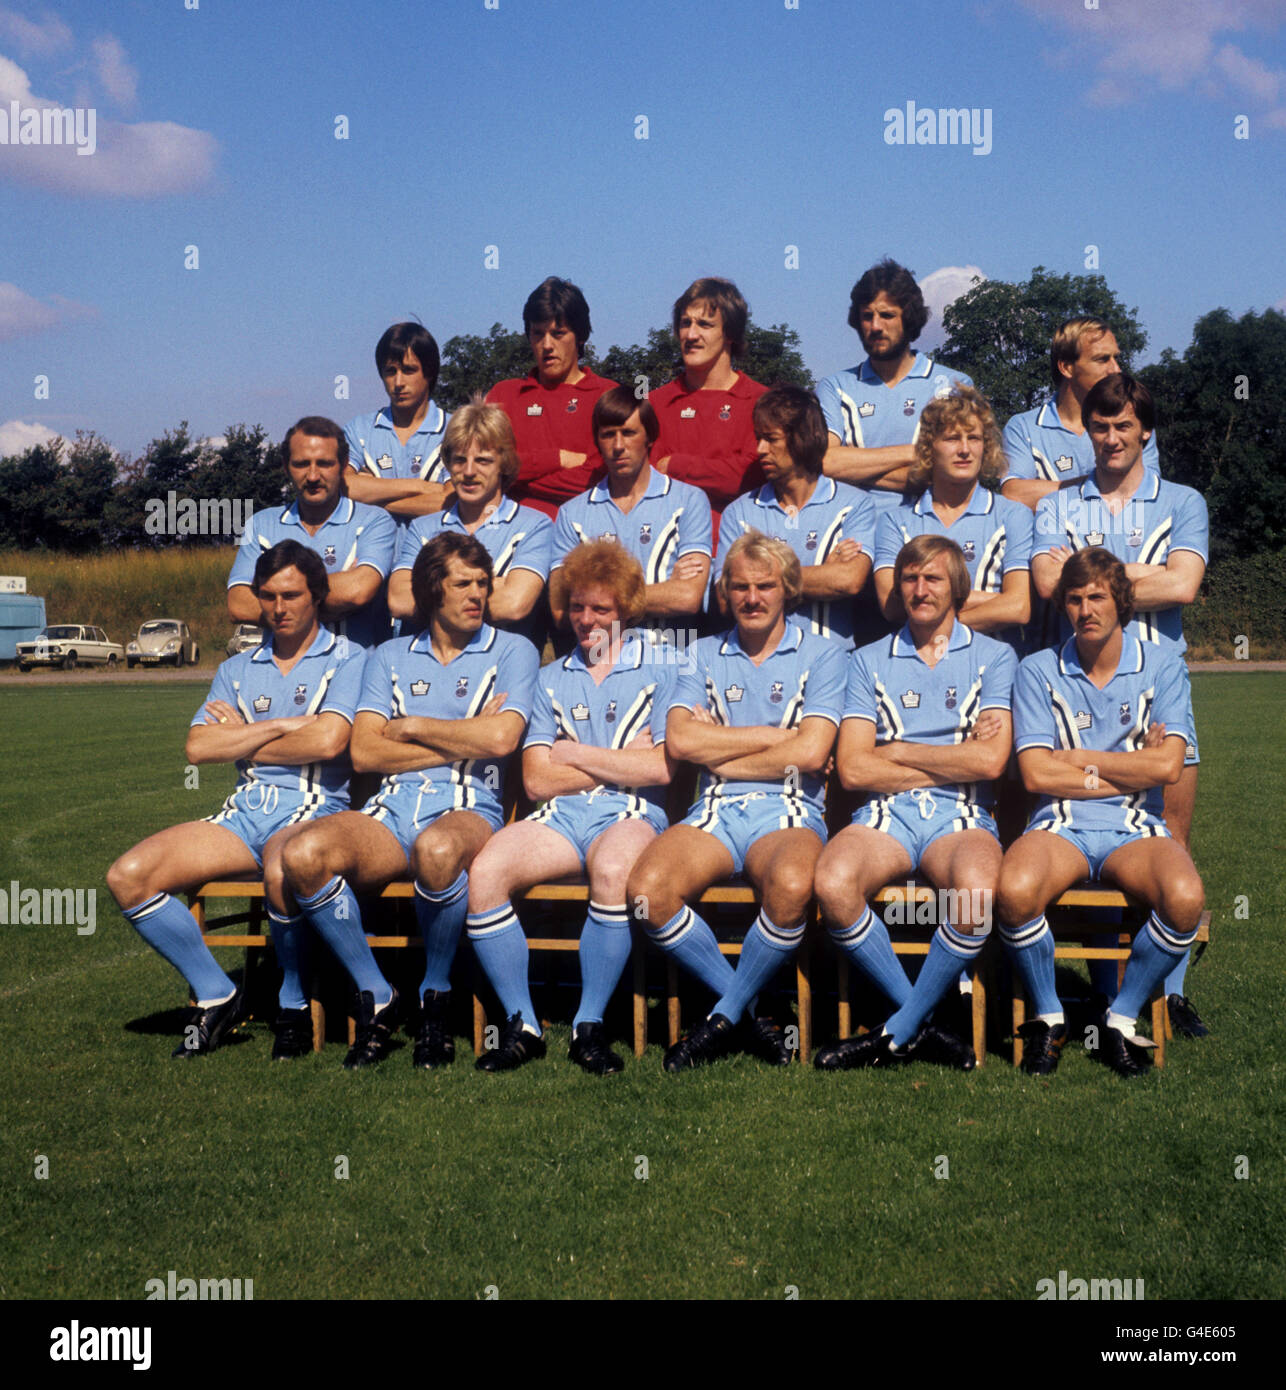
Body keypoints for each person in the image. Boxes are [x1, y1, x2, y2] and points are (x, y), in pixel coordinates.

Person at [279, 532, 539, 1070]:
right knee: (303, 856)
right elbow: (366, 753)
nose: (477, 595)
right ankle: (377, 992)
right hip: (391, 811)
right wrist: (460, 735)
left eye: (483, 584)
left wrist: (415, 726)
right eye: (462, 583)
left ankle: (435, 996)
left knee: (439, 850)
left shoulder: (514, 650)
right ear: (431, 590)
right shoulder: (390, 655)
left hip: (470, 804)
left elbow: (500, 742)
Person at [108, 540, 367, 1060]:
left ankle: (291, 1004)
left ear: (317, 595)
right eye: (268, 596)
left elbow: (329, 742)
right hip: (246, 810)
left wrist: (245, 734)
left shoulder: (351, 657)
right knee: (128, 876)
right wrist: (278, 725)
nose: (279, 608)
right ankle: (217, 993)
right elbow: (198, 746)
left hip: (316, 809)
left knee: (280, 869)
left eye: (292, 595)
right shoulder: (237, 667)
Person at [627, 532, 845, 1071]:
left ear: (787, 589)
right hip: (714, 809)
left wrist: (720, 750)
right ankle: (745, 1012)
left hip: (790, 807)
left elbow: (814, 752)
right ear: (725, 592)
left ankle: (720, 1018)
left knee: (794, 885)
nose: (752, 598)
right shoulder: (700, 653)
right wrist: (776, 738)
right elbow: (680, 742)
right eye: (740, 587)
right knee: (647, 892)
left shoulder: (826, 653)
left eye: (765, 586)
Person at [1031, 374, 1208, 1034]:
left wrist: (1096, 575)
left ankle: (1172, 992)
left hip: (1160, 691)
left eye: (1123, 426)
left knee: (1170, 846)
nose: (1110, 438)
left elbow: (1185, 585)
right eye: (1100, 427)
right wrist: (1138, 579)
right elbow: (1052, 582)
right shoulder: (1058, 503)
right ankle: (1110, 989)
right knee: (1090, 834)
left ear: (1145, 433)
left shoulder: (1184, 502)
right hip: (1076, 693)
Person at [466, 542, 680, 1074]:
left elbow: (660, 771)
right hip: (560, 816)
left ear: (626, 607)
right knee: (486, 871)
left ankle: (589, 1026)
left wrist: (577, 753)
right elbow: (538, 780)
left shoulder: (664, 663)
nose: (586, 620)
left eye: (601, 610)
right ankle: (525, 1025)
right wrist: (618, 759)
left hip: (633, 812)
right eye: (578, 607)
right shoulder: (550, 676)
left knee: (612, 870)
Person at [996, 547, 1204, 1076]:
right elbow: (1038, 776)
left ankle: (1122, 1016)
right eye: (1074, 598)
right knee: (1014, 891)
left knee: (1184, 900)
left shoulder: (1162, 666)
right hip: (1059, 824)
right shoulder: (1038, 669)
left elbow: (1169, 768)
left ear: (1121, 602)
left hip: (1136, 826)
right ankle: (1049, 1015)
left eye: (1097, 597)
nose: (1085, 608)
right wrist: (1129, 763)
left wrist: (1081, 760)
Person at [811, 536, 1015, 1070]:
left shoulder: (995, 656)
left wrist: (896, 749)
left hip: (963, 815)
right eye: (909, 578)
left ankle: (895, 1030)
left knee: (976, 893)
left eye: (934, 579)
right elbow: (854, 769)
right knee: (832, 883)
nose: (920, 590)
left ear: (957, 587)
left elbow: (991, 764)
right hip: (883, 815)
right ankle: (920, 1021)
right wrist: (955, 753)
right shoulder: (865, 660)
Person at [714, 384, 875, 648]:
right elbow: (724, 599)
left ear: (802, 437)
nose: (760, 449)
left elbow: (849, 581)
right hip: (756, 665)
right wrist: (823, 574)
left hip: (832, 667)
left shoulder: (854, 504)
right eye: (758, 438)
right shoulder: (740, 512)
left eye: (771, 439)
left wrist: (754, 581)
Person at [874, 385, 1033, 649]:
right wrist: (992, 600)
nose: (964, 450)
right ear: (929, 448)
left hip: (994, 667)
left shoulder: (1013, 515)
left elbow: (1018, 607)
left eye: (974, 438)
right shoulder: (895, 522)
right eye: (951, 439)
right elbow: (892, 606)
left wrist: (929, 607)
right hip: (918, 664)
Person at [816, 258, 973, 519]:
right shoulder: (835, 387)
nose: (875, 326)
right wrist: (916, 452)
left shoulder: (954, 386)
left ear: (908, 319)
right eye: (867, 316)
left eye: (887, 315)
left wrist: (854, 471)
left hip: (928, 537)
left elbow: (951, 475)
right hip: (852, 538)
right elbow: (825, 462)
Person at [549, 387, 711, 637]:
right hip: (600, 657)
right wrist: (665, 590)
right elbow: (560, 610)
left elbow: (688, 598)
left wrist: (593, 602)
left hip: (668, 653)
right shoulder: (572, 514)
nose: (618, 445)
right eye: (607, 435)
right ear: (597, 441)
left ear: (650, 437)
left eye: (628, 433)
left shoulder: (689, 500)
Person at [387, 399, 552, 641]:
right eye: (460, 460)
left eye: (483, 460)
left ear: (504, 464)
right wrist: (496, 585)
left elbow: (514, 604)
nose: (469, 472)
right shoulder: (424, 527)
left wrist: (435, 588)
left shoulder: (534, 526)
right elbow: (399, 599)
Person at [228, 417, 397, 651]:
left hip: (357, 677)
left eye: (325, 463)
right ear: (286, 466)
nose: (313, 476)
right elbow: (238, 604)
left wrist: (276, 599)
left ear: (343, 464)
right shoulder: (259, 524)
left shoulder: (375, 521)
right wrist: (336, 601)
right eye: (301, 464)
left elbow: (358, 591)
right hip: (283, 679)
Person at [486, 277, 617, 521]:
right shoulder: (503, 396)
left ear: (580, 336)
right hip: (514, 536)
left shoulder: (609, 396)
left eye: (558, 333)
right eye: (538, 334)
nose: (547, 345)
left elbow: (604, 479)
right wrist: (557, 459)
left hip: (589, 535)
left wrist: (518, 482)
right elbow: (486, 467)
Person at [646, 277, 768, 536]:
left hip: (739, 551)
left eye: (705, 324)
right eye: (685, 323)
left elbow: (749, 477)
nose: (691, 335)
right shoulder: (655, 403)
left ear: (730, 333)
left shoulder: (761, 402)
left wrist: (675, 465)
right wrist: (718, 471)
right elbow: (648, 481)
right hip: (665, 547)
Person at [1001, 317, 1161, 511]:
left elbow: (1143, 493)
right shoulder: (1024, 427)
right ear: (1067, 367)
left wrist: (1052, 491)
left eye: (1115, 358)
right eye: (1102, 359)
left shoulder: (1133, 424)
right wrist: (1098, 484)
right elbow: (1014, 495)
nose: (1116, 369)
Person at [343, 322, 452, 520]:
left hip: (435, 549)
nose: (398, 382)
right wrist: (421, 487)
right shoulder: (359, 430)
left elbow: (451, 501)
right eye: (390, 371)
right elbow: (342, 486)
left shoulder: (455, 430)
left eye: (409, 370)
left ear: (429, 373)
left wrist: (372, 496)